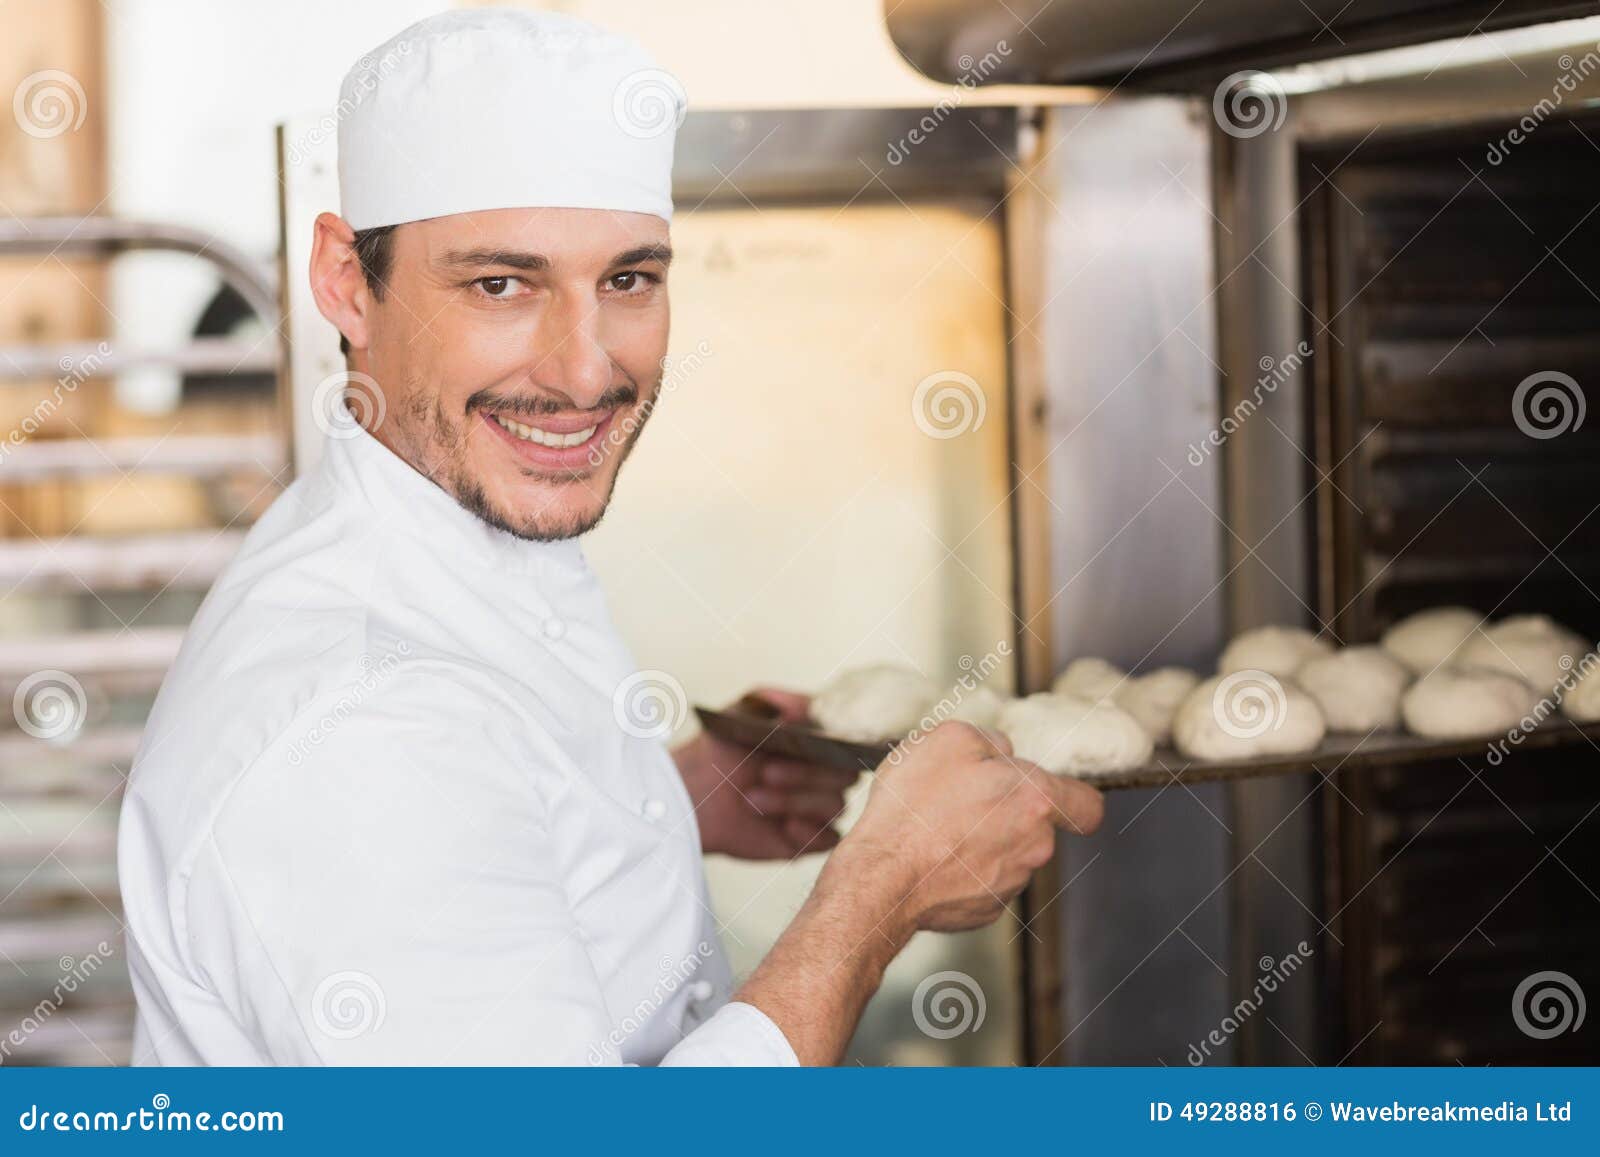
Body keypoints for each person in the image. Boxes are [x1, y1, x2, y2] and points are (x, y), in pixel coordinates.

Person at [117, 8, 1103, 1066]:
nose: (584, 371)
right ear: (348, 282)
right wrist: (879, 891)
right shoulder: (359, 728)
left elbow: (451, 877)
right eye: (501, 283)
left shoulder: (435, 543)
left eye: (628, 279)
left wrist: (648, 805)